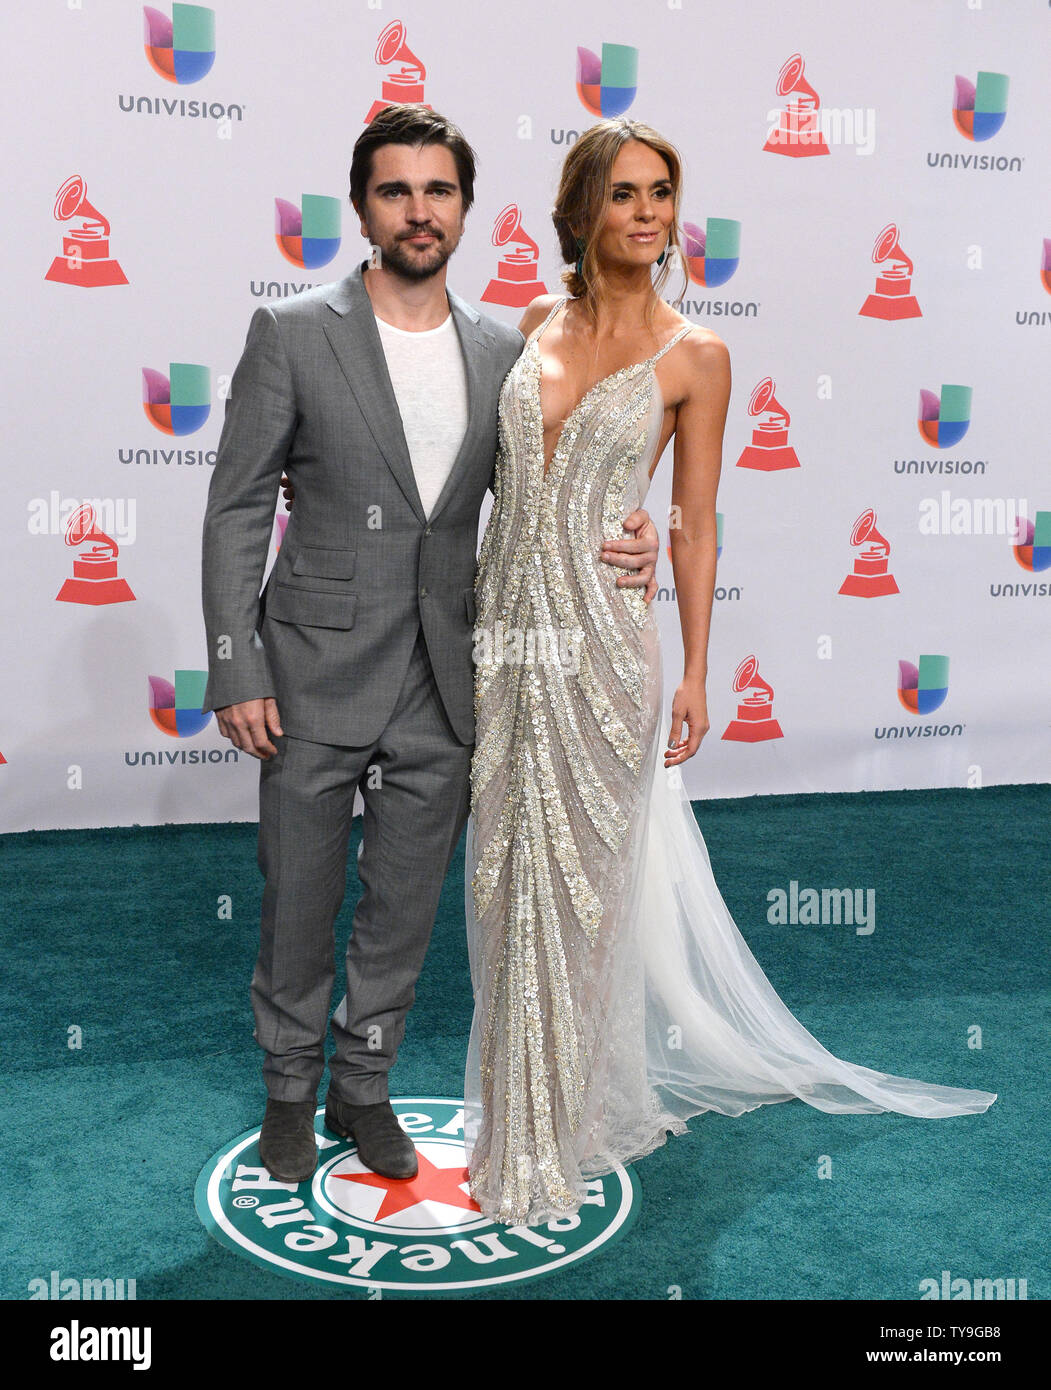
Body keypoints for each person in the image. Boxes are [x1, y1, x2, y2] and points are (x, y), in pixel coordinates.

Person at [462, 117, 997, 1227]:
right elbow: (497, 486)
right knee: (504, 878)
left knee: (582, 891)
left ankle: (550, 1132)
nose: (648, 211)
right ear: (579, 212)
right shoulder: (528, 324)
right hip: (509, 644)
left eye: (662, 191)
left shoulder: (696, 354)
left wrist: (700, 669)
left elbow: (693, 523)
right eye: (622, 193)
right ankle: (510, 1105)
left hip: (607, 648)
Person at [199, 104, 660, 1187]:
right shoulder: (293, 331)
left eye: (438, 191)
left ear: (463, 208)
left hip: (451, 681)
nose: (419, 210)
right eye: (397, 191)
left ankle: (363, 1089)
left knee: (403, 905)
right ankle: (285, 1088)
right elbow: (234, 509)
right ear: (363, 206)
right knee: (297, 897)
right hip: (308, 673)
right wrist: (236, 662)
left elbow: (544, 501)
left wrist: (630, 531)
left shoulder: (508, 350)